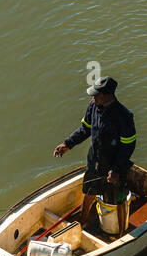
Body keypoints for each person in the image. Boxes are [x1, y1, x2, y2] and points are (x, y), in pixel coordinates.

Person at [53, 76, 136, 236]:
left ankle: (122, 233)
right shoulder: (93, 106)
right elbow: (84, 129)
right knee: (90, 190)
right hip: (95, 161)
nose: (93, 97)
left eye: (96, 94)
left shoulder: (124, 116)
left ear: (107, 95)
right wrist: (67, 144)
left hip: (114, 167)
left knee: (119, 198)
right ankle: (83, 220)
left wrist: (117, 169)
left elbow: (128, 146)